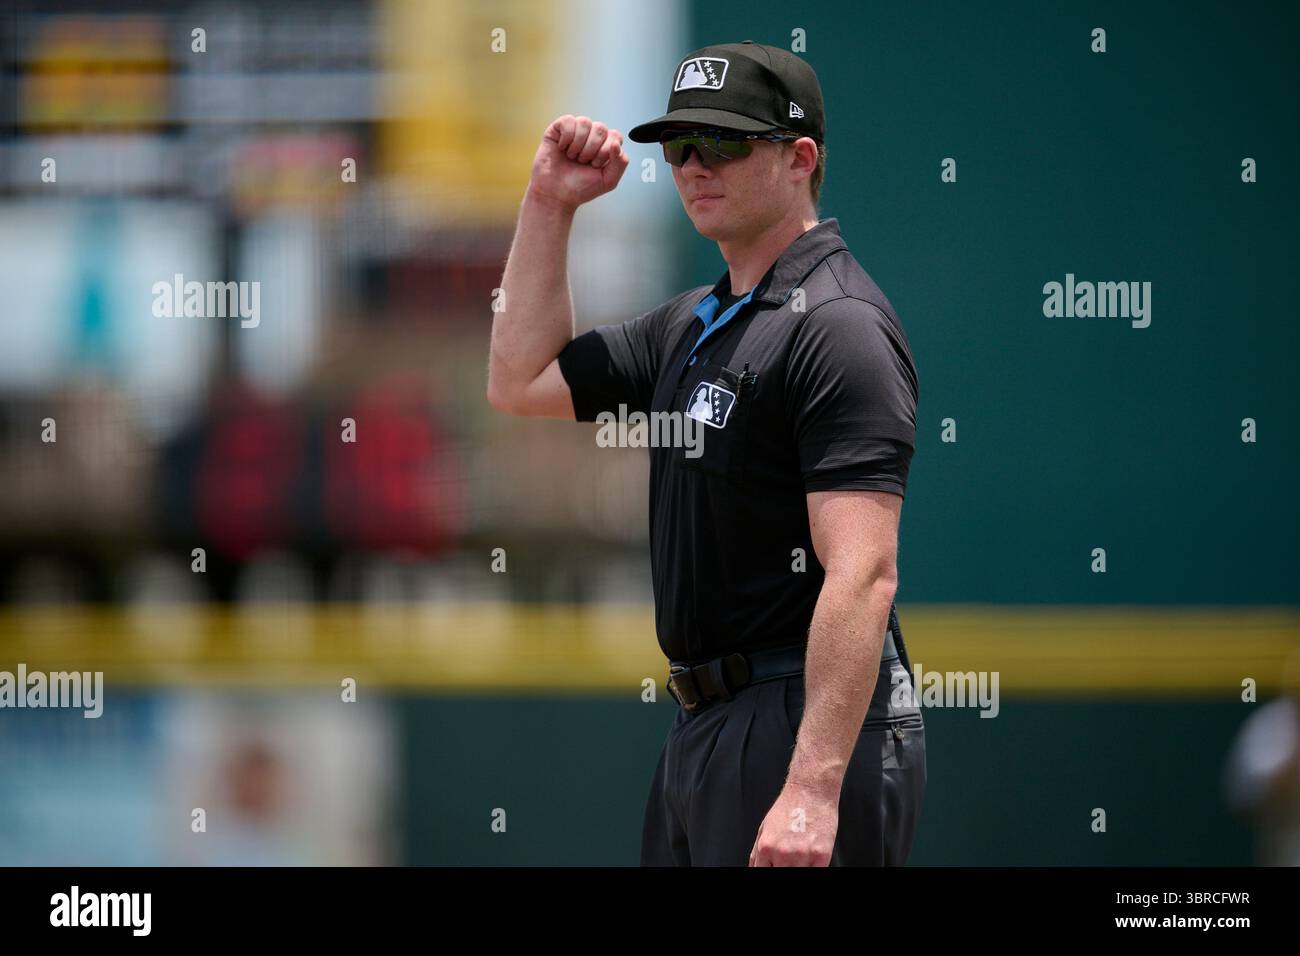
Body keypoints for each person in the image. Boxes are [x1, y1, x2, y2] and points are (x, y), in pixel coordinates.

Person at [487, 40, 924, 866]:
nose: (694, 164)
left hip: (796, 714)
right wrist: (549, 205)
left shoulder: (839, 326)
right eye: (680, 144)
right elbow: (519, 378)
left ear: (800, 159)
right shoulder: (695, 321)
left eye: (724, 141)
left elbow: (864, 572)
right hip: (706, 723)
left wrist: (812, 788)